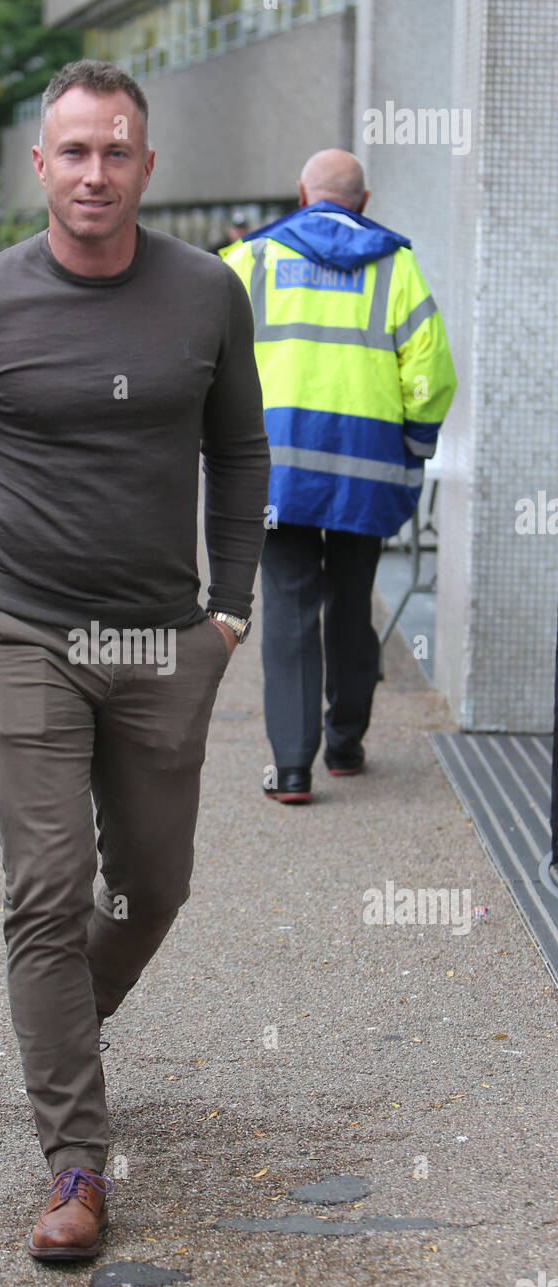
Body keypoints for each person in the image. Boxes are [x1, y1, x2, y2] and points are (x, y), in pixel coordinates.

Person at [0, 58, 270, 1259]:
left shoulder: (206, 295)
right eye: (73, 152)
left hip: (161, 640)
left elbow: (241, 453)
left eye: (115, 151)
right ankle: (76, 1165)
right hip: (23, 633)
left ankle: (57, 1029)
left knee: (150, 889)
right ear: (39, 165)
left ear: (146, 167)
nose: (93, 172)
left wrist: (230, 614)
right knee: (45, 890)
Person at [221, 149, 456, 803]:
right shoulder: (396, 264)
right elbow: (431, 372)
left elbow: (198, 355)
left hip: (277, 470)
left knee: (290, 608)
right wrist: (414, 443)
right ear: (366, 200)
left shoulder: (249, 260)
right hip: (366, 468)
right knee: (352, 602)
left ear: (301, 194)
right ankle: (346, 744)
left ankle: (293, 767)